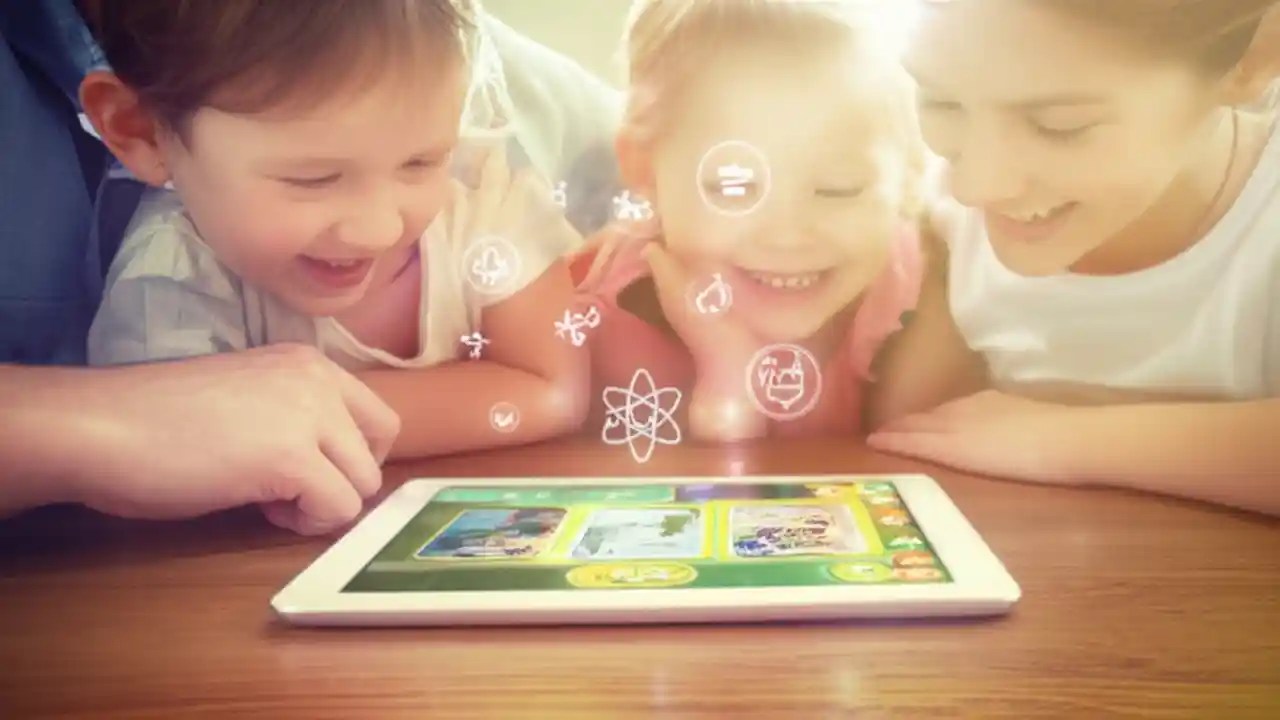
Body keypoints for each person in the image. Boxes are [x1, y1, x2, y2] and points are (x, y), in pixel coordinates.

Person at [0, 0, 622, 532]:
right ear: (140, 132)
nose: (380, 227)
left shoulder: (486, 193)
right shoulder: (171, 275)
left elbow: (555, 387)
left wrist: (319, 426)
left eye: (423, 162)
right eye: (313, 178)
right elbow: (178, 479)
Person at [868, 0, 1280, 516]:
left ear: (1252, 58)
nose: (977, 186)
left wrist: (1062, 440)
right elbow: (917, 437)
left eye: (1059, 125)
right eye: (940, 103)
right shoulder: (945, 222)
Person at [571, 0, 929, 443]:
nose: (788, 236)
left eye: (839, 188)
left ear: (909, 177)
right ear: (646, 172)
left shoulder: (916, 282)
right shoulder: (612, 319)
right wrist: (729, 375)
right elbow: (676, 499)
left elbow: (929, 467)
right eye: (733, 189)